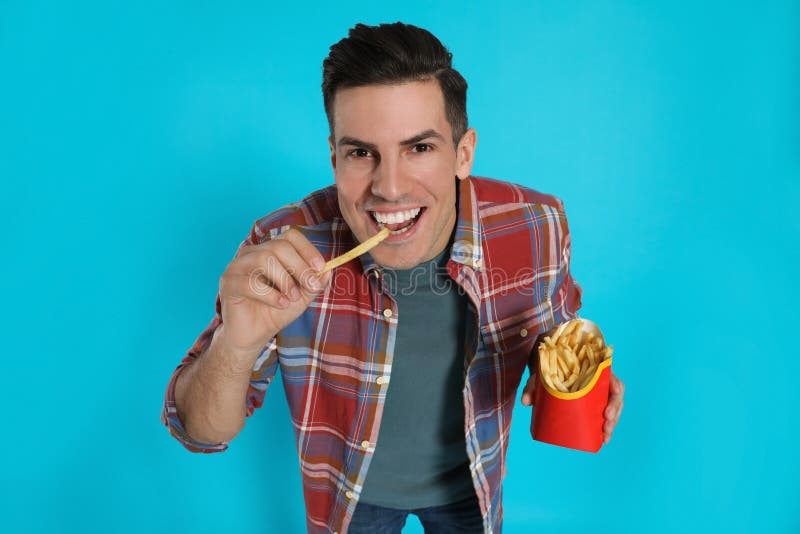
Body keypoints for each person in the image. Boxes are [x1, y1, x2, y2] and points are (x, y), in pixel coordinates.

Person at [161, 22, 625, 534]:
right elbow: (198, 431)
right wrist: (234, 344)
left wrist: (576, 379)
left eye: (419, 148)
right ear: (334, 157)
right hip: (348, 495)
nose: (390, 187)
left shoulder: (536, 226)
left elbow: (558, 335)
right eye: (361, 153)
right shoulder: (283, 246)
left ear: (463, 153)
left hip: (472, 484)